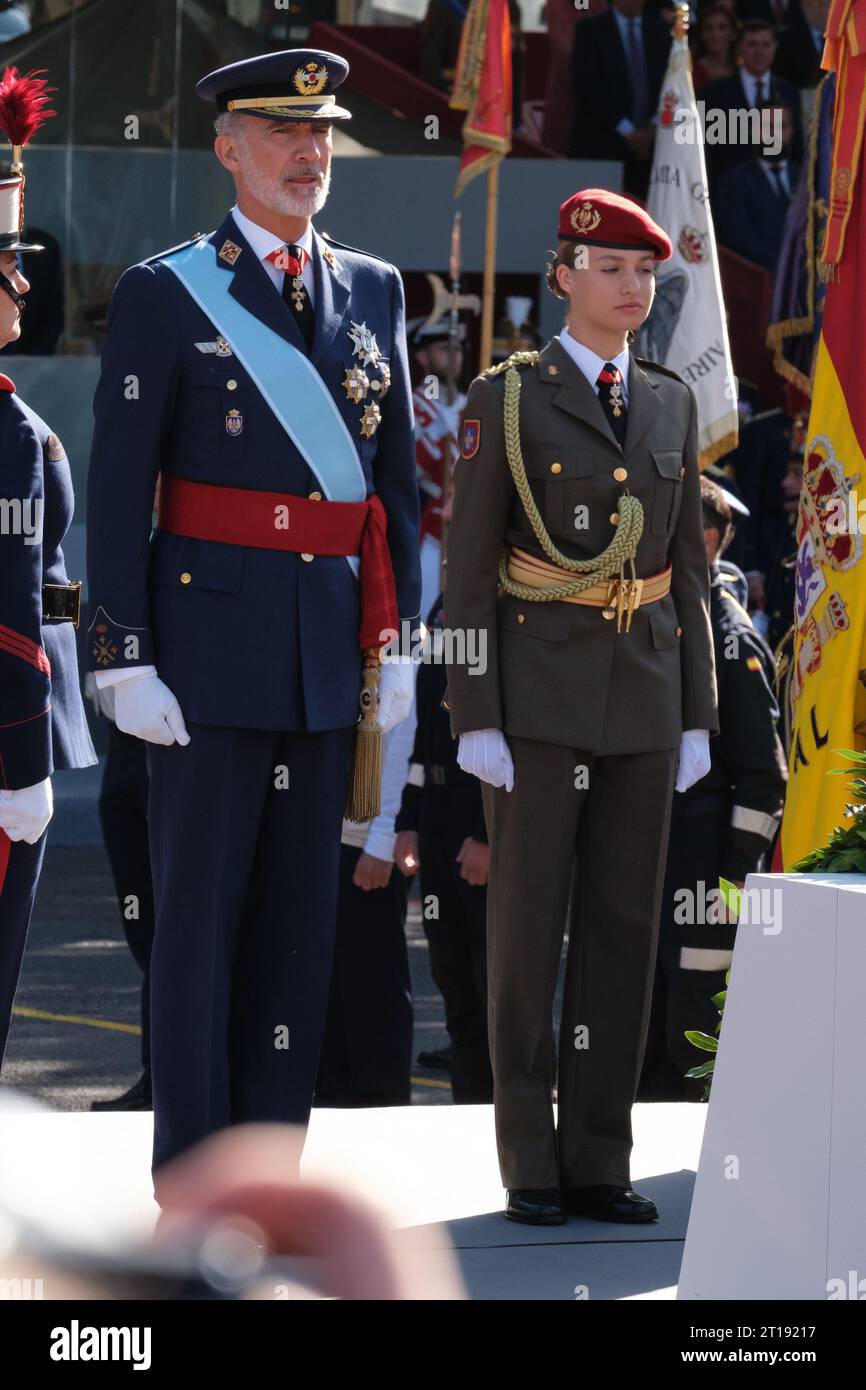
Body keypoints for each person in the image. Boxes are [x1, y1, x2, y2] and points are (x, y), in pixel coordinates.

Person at [86, 48, 421, 1190]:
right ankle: (192, 1184)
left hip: (325, 659)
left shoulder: (373, 287)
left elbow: (395, 489)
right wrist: (123, 655)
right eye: (283, 133)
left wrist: (402, 639)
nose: (309, 154)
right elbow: (122, 485)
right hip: (205, 658)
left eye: (322, 133)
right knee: (197, 934)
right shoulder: (166, 288)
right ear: (228, 149)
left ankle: (271, 1178)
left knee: (297, 941)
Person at [444, 188, 719, 1225]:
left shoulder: (666, 400)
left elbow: (686, 572)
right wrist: (472, 711)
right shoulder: (503, 399)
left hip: (642, 698)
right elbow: (467, 570)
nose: (631, 287)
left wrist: (695, 711)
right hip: (536, 701)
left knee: (622, 928)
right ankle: (530, 1162)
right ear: (561, 275)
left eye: (645, 271)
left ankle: (599, 1155)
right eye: (610, 269)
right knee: (524, 934)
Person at [0, 68, 96, 1068]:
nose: (26, 282)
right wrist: (24, 766)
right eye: (7, 264)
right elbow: (11, 611)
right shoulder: (8, 433)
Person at [638, 477, 786, 1101]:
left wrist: (732, 879)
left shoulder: (729, 637)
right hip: (663, 855)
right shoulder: (667, 619)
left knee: (694, 1032)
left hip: (707, 871)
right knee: (647, 1021)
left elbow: (763, 775)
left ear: (701, 540)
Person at [395, 492, 494, 1105]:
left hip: (476, 827)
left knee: (494, 989)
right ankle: (468, 1110)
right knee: (454, 982)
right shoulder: (442, 609)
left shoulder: (501, 613)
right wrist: (407, 822)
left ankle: (507, 1121)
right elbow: (424, 736)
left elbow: (510, 739)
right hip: (434, 827)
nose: (452, 542)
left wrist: (489, 835)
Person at [569, 0, 672, 198]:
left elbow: (669, 86)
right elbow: (587, 86)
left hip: (649, 152)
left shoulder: (660, 33)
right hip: (602, 148)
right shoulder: (591, 30)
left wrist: (651, 128)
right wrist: (628, 131)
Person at [701, 19, 802, 191]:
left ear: (775, 48)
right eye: (752, 45)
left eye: (765, 45)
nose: (759, 51)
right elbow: (708, 149)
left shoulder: (789, 92)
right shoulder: (714, 93)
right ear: (740, 48)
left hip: (779, 190)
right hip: (730, 190)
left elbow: (796, 145)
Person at [714, 101, 799, 269]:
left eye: (782, 126)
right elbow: (737, 236)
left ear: (792, 131)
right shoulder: (734, 181)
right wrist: (783, 267)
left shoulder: (807, 179)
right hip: (759, 281)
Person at [691, 3, 739, 91]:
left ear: (733, 34)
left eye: (722, 27)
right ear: (701, 34)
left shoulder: (741, 71)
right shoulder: (689, 71)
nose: (715, 35)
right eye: (709, 28)